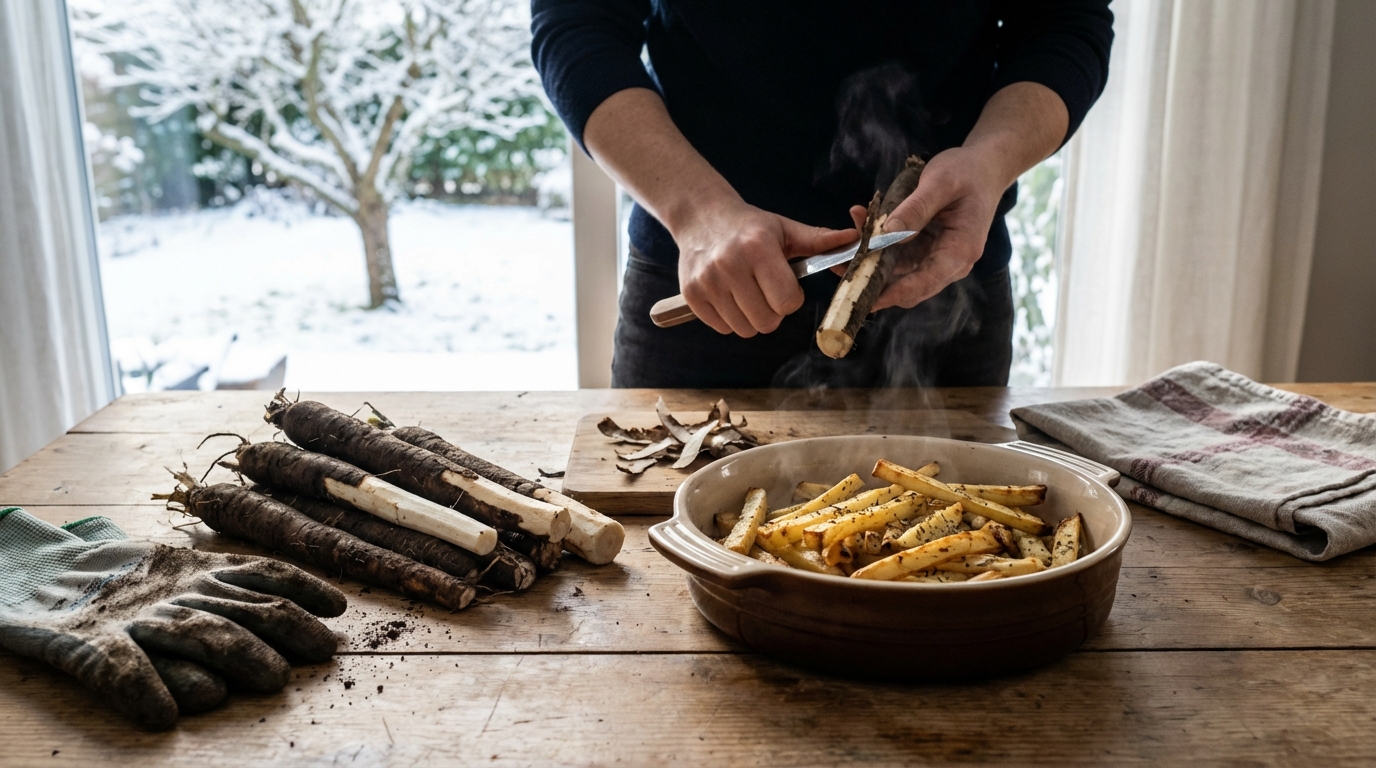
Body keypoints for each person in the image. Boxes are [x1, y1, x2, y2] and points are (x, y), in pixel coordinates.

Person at [532, 1, 1113, 388]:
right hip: (709, 285)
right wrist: (699, 213)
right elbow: (578, 23)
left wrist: (990, 161)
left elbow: (1064, 26)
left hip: (948, 276)